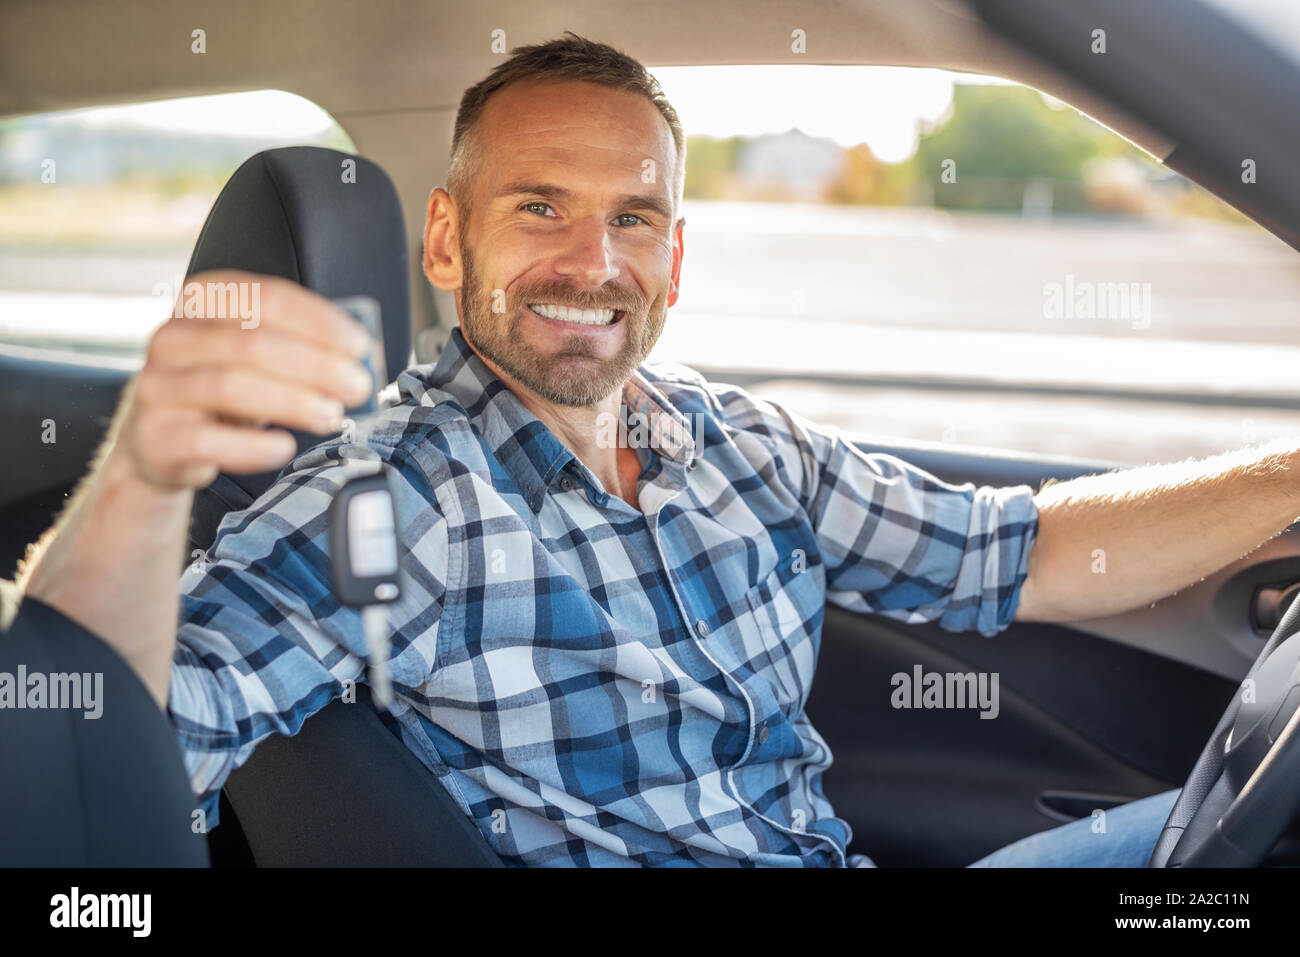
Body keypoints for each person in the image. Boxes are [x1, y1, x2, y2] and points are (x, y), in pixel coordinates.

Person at [14, 33, 1300, 866]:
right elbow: (93, 743)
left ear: (675, 258)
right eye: (540, 210)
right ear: (448, 242)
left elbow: (1008, 554)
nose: (594, 261)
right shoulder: (386, 501)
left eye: (635, 216)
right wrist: (139, 479)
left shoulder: (739, 442)